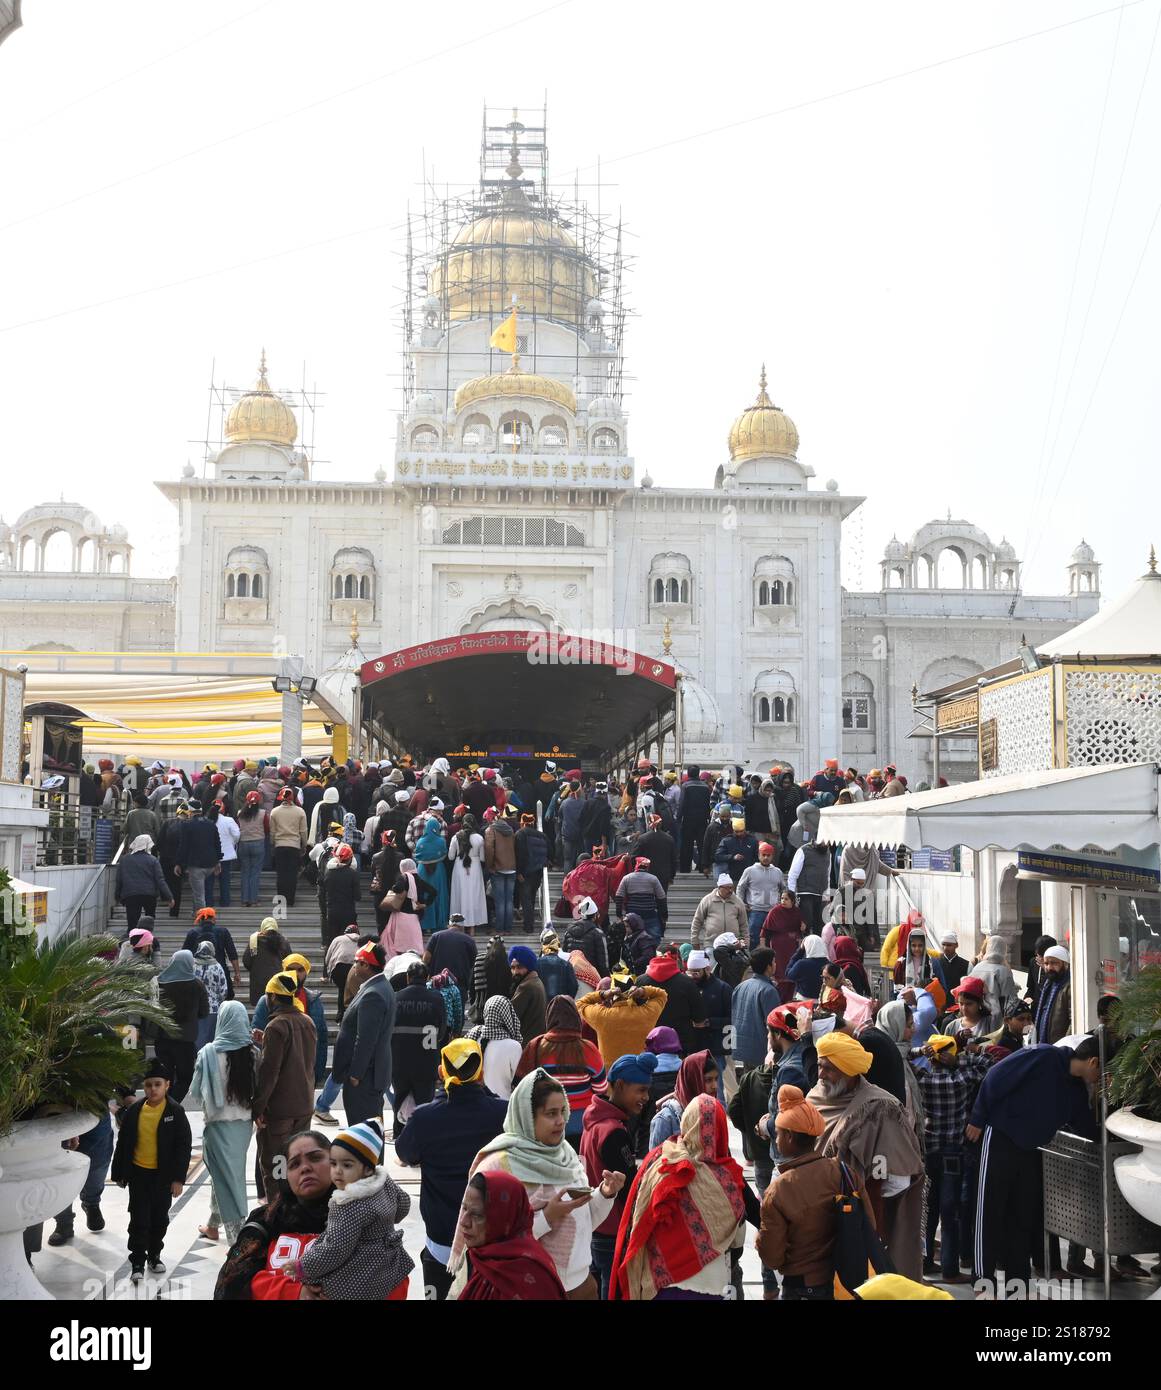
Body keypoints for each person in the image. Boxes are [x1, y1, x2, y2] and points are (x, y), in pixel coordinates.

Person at [450, 1070, 625, 1298]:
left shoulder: (566, 1156)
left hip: (580, 1285)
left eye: (563, 1111)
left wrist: (605, 1194)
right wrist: (547, 1217)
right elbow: (488, 1241)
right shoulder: (499, 1165)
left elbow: (585, 1221)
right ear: (526, 1117)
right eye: (551, 1113)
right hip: (528, 1288)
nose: (561, 1120)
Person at [968, 1038, 1101, 1288]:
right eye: (1102, 1072)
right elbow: (995, 1077)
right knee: (990, 1211)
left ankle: (1017, 1284)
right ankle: (982, 1282)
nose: (1101, 1079)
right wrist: (978, 1116)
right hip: (1000, 1137)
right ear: (1093, 1061)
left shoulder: (1076, 1091)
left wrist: (1108, 1138)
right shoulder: (1044, 1056)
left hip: (1030, 1149)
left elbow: (1084, 1126)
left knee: (1022, 1217)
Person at [395, 1039, 510, 1300]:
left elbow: (405, 1153)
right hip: (491, 1237)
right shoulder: (503, 1113)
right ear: (480, 1072)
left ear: (441, 1072)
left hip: (441, 1239)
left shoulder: (425, 1117)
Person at [809, 1030, 925, 1279]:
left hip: (855, 1224)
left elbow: (898, 1179)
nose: (821, 1075)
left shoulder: (881, 1108)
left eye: (829, 1069)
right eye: (819, 1066)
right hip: (812, 1218)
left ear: (850, 1071)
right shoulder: (815, 1096)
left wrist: (866, 1207)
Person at [612, 1094, 747, 1301]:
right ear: (721, 1130)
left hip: (661, 1284)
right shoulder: (729, 1178)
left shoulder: (661, 1162)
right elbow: (737, 1243)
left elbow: (639, 1221)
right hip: (711, 1286)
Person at [281, 1118, 412, 1299]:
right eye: (334, 1164)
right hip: (390, 1268)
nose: (338, 1171)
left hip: (360, 1281)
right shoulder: (384, 1182)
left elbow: (335, 1248)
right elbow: (403, 1205)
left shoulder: (346, 1204)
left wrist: (303, 1267)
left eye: (347, 1165)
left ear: (367, 1169)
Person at [757, 1084, 856, 1301]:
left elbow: (772, 1257)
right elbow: (869, 1224)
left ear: (790, 1137)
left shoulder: (780, 1190)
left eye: (779, 1134)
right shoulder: (844, 1171)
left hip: (801, 1286)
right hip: (845, 1279)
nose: (776, 1139)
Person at [908, 1034, 991, 1284]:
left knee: (928, 1210)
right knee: (950, 1211)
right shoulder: (961, 1079)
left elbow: (904, 1060)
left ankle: (924, 1263)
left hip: (928, 1152)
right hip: (953, 1153)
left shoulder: (922, 1079)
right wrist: (961, 1058)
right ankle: (950, 1269)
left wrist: (919, 1052)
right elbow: (987, 1061)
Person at [215, 1130, 335, 1300]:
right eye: (294, 1164)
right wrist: (294, 1292)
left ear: (334, 1162)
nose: (305, 1168)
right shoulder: (266, 1220)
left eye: (315, 1158)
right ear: (286, 1176)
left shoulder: (363, 1217)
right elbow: (231, 1280)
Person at [581, 1051, 658, 1298]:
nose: (645, 1098)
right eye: (641, 1090)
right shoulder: (614, 1132)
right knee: (611, 1289)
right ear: (621, 1086)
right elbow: (627, 1190)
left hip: (594, 1225)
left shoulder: (594, 1121)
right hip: (613, 1230)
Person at [111, 1060, 193, 1283]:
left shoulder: (175, 1112)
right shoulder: (135, 1111)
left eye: (157, 1084)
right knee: (139, 1219)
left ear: (167, 1085)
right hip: (139, 1175)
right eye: (148, 1085)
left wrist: (178, 1179)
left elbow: (183, 1147)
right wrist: (118, 1172)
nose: (153, 1089)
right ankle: (137, 1259)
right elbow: (124, 1143)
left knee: (159, 1219)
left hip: (163, 1178)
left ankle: (154, 1255)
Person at [189, 1000, 256, 1245]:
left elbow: (197, 1092)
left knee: (229, 1179)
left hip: (218, 1125)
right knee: (229, 1173)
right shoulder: (252, 1053)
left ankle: (239, 1236)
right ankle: (213, 1224)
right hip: (244, 1126)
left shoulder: (207, 1053)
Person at [253, 971, 317, 1197]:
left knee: (276, 1169)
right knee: (298, 1165)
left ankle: (277, 1218)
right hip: (304, 1106)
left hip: (280, 1111)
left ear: (272, 997)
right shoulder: (307, 1021)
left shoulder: (276, 1026)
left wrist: (258, 1108)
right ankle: (297, 1215)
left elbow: (269, 1073)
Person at [456, 1171, 567, 1301]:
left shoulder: (533, 1278)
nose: (463, 1222)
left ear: (502, 1218)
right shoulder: (478, 1255)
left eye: (477, 1215)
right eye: (464, 1208)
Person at [514, 996, 606, 1145]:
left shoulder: (536, 1047)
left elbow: (523, 1086)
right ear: (576, 1018)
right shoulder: (588, 1049)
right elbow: (601, 1088)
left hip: (546, 1122)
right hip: (583, 1123)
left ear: (549, 1018)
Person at [331, 942, 394, 1126]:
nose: (354, 966)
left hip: (364, 1077)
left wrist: (356, 1075)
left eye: (357, 962)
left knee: (363, 1133)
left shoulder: (373, 994)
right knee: (369, 1130)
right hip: (370, 1074)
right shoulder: (378, 986)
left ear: (366, 965)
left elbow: (366, 1039)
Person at [390, 960, 446, 1139]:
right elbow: (442, 1030)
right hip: (426, 1063)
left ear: (408, 977)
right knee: (425, 1106)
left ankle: (401, 1141)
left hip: (400, 1062)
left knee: (399, 1103)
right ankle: (424, 1142)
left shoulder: (396, 998)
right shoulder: (437, 998)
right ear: (427, 977)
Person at [155, 949, 209, 1102]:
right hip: (186, 1040)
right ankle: (171, 1105)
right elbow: (204, 1012)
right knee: (185, 1078)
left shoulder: (160, 983)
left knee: (165, 1077)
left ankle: (162, 1106)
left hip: (163, 1037)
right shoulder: (197, 985)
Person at [636, 941, 707, 1056]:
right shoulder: (687, 982)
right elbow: (699, 1017)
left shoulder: (641, 981)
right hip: (680, 1043)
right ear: (677, 960)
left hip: (650, 1040)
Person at [577, 977, 668, 1064]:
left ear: (611, 996)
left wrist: (603, 994)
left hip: (611, 1073)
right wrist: (643, 991)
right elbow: (662, 995)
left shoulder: (602, 1016)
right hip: (640, 1070)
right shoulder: (646, 1013)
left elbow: (579, 1004)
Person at [685, 948, 733, 1097]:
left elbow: (732, 1019)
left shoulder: (722, 989)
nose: (693, 976)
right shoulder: (687, 987)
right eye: (690, 972)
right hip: (693, 1046)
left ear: (707, 969)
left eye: (696, 972)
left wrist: (709, 1023)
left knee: (715, 1091)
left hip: (715, 1048)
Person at [649, 1049, 718, 1148]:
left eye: (716, 1079)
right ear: (692, 1081)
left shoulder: (712, 1112)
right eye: (708, 1080)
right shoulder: (666, 1120)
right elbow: (657, 1161)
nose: (714, 1086)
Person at [730, 947, 780, 1079]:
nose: (775, 965)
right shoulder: (768, 991)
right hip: (761, 1049)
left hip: (743, 1047)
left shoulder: (741, 986)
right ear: (768, 967)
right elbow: (774, 1025)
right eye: (773, 962)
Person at [466, 994, 524, 1099]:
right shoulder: (514, 1046)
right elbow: (520, 1083)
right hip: (504, 1107)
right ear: (507, 1014)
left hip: (477, 1103)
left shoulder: (474, 1038)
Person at [116, 834, 174, 930]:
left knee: (132, 923)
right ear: (148, 845)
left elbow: (119, 879)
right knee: (149, 920)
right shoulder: (153, 860)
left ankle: (132, 940)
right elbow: (160, 880)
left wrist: (117, 895)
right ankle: (147, 939)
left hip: (131, 895)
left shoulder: (125, 860)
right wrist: (169, 896)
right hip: (149, 895)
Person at [737, 841, 786, 949]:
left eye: (768, 855)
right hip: (755, 911)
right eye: (763, 855)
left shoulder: (777, 872)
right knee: (753, 938)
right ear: (759, 855)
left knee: (772, 938)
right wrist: (741, 903)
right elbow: (740, 887)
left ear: (772, 856)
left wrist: (781, 904)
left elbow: (784, 889)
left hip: (773, 912)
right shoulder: (749, 871)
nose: (766, 857)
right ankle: (752, 961)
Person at [614, 856, 668, 945]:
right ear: (647, 866)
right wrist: (664, 914)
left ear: (636, 865)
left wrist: (619, 914)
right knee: (654, 939)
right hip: (649, 914)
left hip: (632, 915)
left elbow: (619, 896)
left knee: (631, 939)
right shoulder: (653, 878)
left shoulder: (627, 878)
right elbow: (661, 897)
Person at [447, 812, 487, 929]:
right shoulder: (479, 838)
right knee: (474, 894)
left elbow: (450, 857)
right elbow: (483, 858)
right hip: (475, 867)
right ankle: (473, 926)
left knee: (459, 894)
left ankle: (460, 925)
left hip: (459, 867)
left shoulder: (455, 837)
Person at [690, 873, 749, 950]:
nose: (730, 890)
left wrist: (746, 942)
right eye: (727, 888)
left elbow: (744, 924)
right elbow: (697, 921)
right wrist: (694, 940)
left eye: (731, 887)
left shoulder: (738, 902)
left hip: (734, 944)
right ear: (719, 888)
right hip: (711, 944)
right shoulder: (707, 900)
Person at [424, 910, 478, 994]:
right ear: (462, 926)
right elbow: (475, 964)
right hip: (460, 986)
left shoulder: (436, 936)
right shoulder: (469, 940)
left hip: (437, 984)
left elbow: (426, 959)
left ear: (449, 925)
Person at [270, 787, 308, 906]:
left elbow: (272, 832)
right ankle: (290, 900)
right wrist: (304, 845)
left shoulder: (274, 812)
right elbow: (303, 831)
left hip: (280, 846)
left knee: (281, 875)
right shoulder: (300, 812)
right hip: (294, 846)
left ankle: (281, 901)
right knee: (292, 875)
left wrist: (273, 843)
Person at [242, 919, 291, 1007]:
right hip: (279, 983)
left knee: (262, 1011)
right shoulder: (284, 941)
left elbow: (247, 961)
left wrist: (256, 969)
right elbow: (289, 962)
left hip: (259, 983)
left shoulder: (254, 941)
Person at [484, 807, 518, 931]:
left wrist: (489, 866)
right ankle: (508, 928)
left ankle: (499, 928)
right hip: (511, 868)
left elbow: (489, 850)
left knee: (499, 901)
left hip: (497, 869)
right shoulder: (510, 830)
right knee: (509, 900)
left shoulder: (490, 830)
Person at [973, 935, 1019, 1026]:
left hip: (977, 1013)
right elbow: (1009, 999)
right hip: (996, 1016)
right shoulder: (1003, 970)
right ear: (1003, 949)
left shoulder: (977, 967)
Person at [192, 939, 228, 1050]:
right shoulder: (217, 966)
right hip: (213, 1009)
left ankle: (197, 1060)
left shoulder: (192, 965)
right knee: (210, 1039)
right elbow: (223, 990)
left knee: (197, 1037)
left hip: (195, 1007)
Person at [1033, 944, 1072, 1044]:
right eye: (1046, 964)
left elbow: (1073, 1023)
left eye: (1054, 963)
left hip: (1060, 1048)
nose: (1049, 967)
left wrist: (1063, 1046)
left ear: (1065, 964)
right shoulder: (1048, 984)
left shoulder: (1069, 987)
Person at [323, 924, 360, 1030]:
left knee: (342, 989)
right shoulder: (362, 940)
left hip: (338, 967)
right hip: (355, 967)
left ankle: (340, 1016)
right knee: (355, 991)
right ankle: (353, 1016)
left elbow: (328, 955)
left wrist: (327, 971)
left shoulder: (338, 939)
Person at [535, 926, 578, 1000]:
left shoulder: (536, 963)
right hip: (560, 1005)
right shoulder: (566, 964)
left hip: (542, 1006)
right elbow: (574, 986)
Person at [787, 934, 829, 999]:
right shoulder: (829, 964)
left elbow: (788, 974)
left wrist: (800, 951)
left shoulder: (801, 964)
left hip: (803, 1002)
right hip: (823, 1001)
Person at [932, 928, 970, 997]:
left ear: (956, 945)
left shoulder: (965, 964)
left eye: (949, 945)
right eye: (943, 944)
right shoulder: (935, 963)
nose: (945, 948)